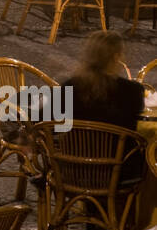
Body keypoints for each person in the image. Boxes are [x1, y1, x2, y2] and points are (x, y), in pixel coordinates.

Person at [62, 31, 145, 188]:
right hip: (118, 172)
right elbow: (134, 127)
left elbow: (44, 120)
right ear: (116, 57)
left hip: (74, 169)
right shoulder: (132, 91)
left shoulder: (70, 86)